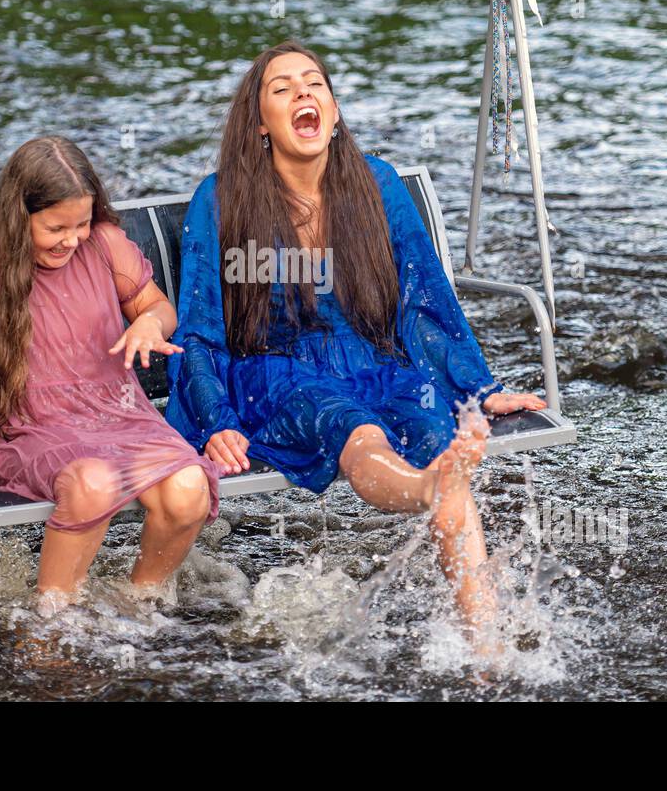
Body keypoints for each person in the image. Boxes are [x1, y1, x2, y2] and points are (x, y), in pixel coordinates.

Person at [166, 41, 546, 630]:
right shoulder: (221, 199)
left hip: (369, 360)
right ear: (259, 123)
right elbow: (198, 328)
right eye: (282, 88)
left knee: (432, 430)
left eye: (315, 84)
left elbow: (426, 300)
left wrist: (480, 384)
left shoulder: (378, 184)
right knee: (357, 429)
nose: (303, 94)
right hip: (274, 371)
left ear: (335, 112)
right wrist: (217, 420)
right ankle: (426, 489)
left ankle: (485, 646)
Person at [0, 135, 224, 612]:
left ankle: (140, 600)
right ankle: (52, 620)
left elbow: (155, 306)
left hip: (119, 415)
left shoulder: (106, 245)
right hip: (33, 426)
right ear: (17, 215)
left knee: (189, 487)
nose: (71, 239)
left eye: (81, 224)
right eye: (54, 227)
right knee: (93, 484)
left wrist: (150, 322)